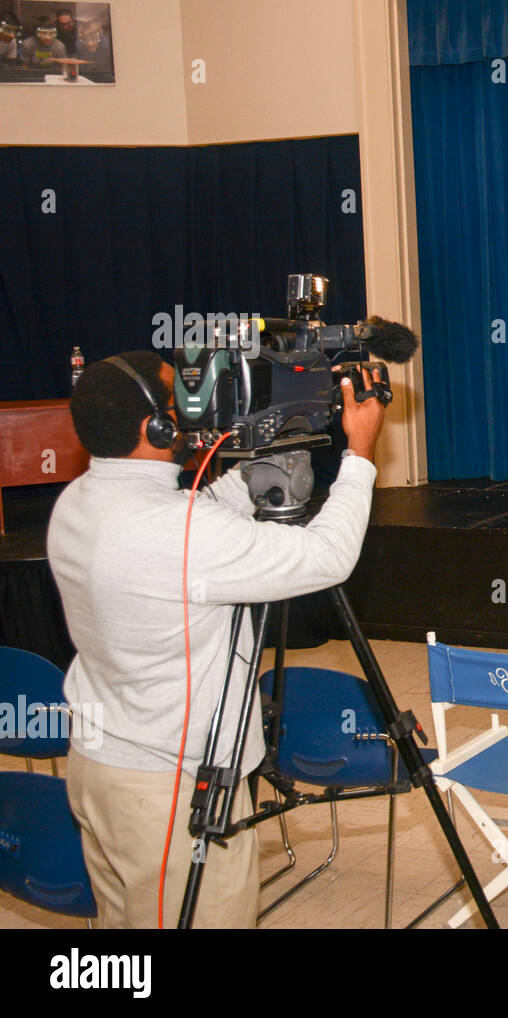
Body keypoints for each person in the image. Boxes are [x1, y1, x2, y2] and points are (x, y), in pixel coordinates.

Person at [47, 350, 385, 927]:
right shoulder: (181, 533)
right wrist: (359, 454)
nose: (193, 412)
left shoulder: (77, 502)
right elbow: (327, 556)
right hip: (172, 791)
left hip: (100, 766)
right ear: (154, 427)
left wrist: (250, 476)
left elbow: (184, 521)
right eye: (179, 405)